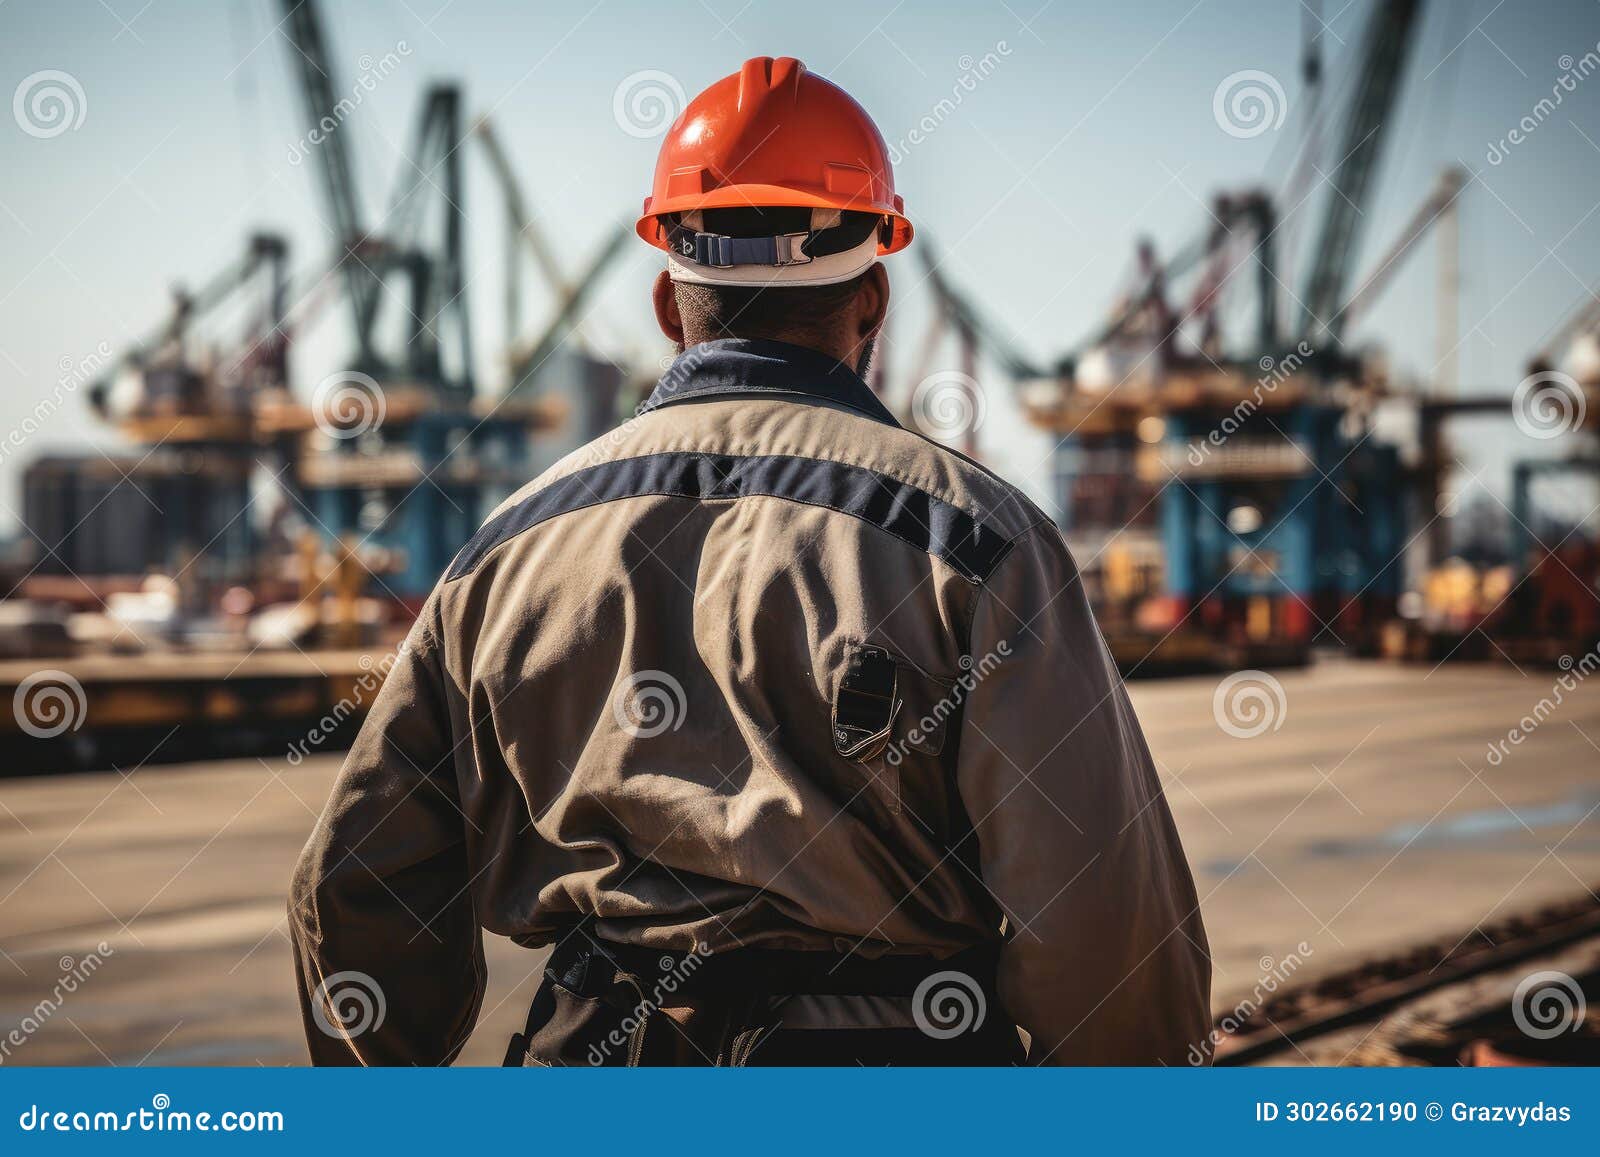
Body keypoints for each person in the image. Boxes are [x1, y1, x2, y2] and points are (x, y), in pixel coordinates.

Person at [289, 55, 1210, 1066]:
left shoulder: (501, 555)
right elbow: (1105, 926)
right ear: (871, 300)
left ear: (665, 300)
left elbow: (355, 887)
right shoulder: (980, 541)